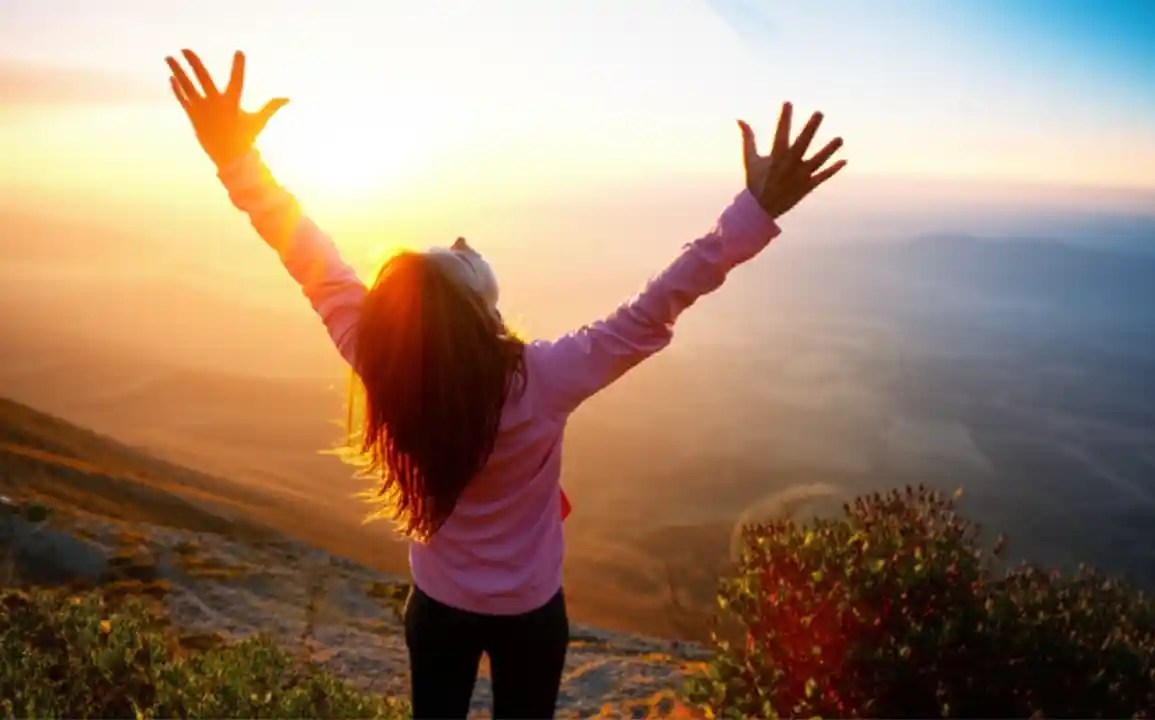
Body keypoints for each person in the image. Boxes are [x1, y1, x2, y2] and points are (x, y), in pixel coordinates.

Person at [165, 48, 845, 719]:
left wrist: (236, 160)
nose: (461, 240)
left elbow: (301, 249)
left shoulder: (383, 357)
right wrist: (754, 211)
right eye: (456, 257)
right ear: (478, 308)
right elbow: (658, 304)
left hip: (437, 606)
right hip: (528, 613)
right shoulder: (545, 378)